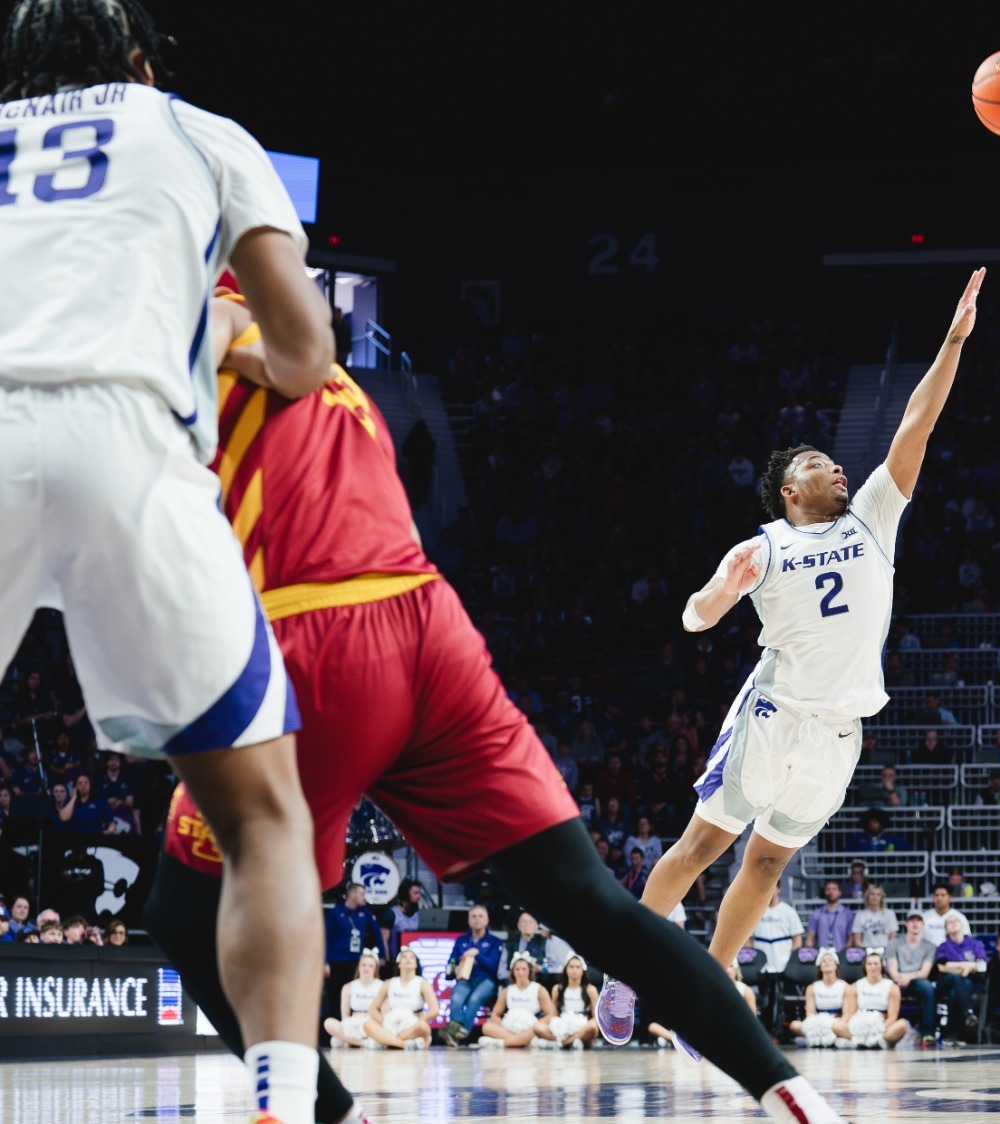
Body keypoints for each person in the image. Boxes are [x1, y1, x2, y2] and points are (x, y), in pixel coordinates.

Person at [144, 302, 847, 1122]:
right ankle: (794, 1097)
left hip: (318, 638)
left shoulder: (179, 327)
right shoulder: (316, 356)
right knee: (590, 902)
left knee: (187, 911)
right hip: (431, 626)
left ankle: (333, 1115)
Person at [0, 6, 336, 1119]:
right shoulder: (197, 129)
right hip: (130, 435)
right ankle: (284, 1099)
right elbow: (302, 356)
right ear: (139, 64)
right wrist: (222, 332)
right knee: (262, 815)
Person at [629, 274, 985, 1050]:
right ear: (791, 489)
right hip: (774, 714)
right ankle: (630, 964)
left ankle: (704, 994)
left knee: (765, 870)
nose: (839, 471)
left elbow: (916, 425)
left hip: (839, 734)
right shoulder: (766, 544)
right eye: (823, 464)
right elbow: (697, 614)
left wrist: (953, 341)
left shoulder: (874, 518)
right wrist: (715, 594)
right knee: (699, 848)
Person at [438, 905, 505, 1042]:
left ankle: (458, 1032)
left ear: (487, 920)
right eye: (473, 916)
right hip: (465, 979)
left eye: (480, 916)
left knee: (475, 999)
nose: (477, 919)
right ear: (469, 920)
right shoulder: (461, 940)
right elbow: (451, 961)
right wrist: (454, 968)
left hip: (486, 980)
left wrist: (477, 955)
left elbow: (494, 967)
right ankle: (458, 1030)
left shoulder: (494, 942)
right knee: (456, 998)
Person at [322, 883, 384, 1021]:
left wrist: (382, 954)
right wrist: (325, 962)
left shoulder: (365, 912)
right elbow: (325, 938)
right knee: (336, 995)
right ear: (352, 894)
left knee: (355, 992)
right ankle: (335, 1025)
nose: (364, 897)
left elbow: (376, 933)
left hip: (356, 961)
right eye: (362, 894)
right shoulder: (335, 913)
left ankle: (355, 1024)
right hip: (337, 960)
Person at [364, 947, 437, 1051]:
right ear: (399, 964)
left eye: (412, 957)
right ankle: (403, 1044)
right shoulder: (389, 983)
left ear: (416, 964)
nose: (408, 959)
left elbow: (434, 1010)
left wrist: (420, 1020)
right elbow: (373, 1009)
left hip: (412, 1025)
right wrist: (383, 1021)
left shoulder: (422, 983)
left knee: (424, 1027)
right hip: (391, 1024)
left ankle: (388, 1041)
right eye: (404, 957)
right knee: (368, 1025)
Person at [838, 950, 910, 1048]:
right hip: (860, 1027)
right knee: (837, 1026)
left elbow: (892, 1016)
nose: (873, 967)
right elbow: (851, 1013)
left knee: (902, 1025)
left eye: (876, 964)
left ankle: (879, 1041)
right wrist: (859, 1027)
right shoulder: (855, 986)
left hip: (882, 1026)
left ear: (882, 966)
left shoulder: (892, 987)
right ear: (865, 966)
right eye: (869, 964)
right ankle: (861, 1040)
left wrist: (878, 1028)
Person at [481, 953, 555, 1049]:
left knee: (540, 1028)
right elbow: (495, 1015)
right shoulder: (507, 991)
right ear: (513, 971)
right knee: (487, 1027)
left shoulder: (539, 989)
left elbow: (550, 1014)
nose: (520, 973)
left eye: (524, 969)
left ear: (529, 970)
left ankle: (502, 1043)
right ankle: (522, 1041)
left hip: (530, 1028)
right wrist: (504, 1024)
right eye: (517, 969)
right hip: (510, 1028)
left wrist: (536, 1023)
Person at [935, 914, 988, 1045]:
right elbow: (942, 966)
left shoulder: (974, 944)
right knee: (955, 978)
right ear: (946, 929)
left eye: (955, 921)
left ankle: (951, 1035)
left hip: (969, 982)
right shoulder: (943, 946)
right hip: (946, 981)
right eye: (949, 922)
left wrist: (966, 968)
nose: (953, 923)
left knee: (955, 993)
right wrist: (963, 969)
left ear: (962, 925)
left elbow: (982, 965)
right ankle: (967, 1012)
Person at [887, 913, 938, 1043]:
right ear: (906, 923)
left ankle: (928, 1033)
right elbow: (892, 967)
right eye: (912, 920)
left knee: (927, 987)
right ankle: (885, 1030)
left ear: (923, 924)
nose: (915, 924)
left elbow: (924, 972)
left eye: (918, 921)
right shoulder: (894, 944)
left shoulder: (930, 946)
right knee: (886, 987)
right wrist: (898, 978)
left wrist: (907, 977)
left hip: (917, 980)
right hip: (896, 979)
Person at [321, 950, 384, 1049]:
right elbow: (345, 1015)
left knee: (337, 1041)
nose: (366, 968)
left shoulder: (382, 986)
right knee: (329, 1023)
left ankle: (350, 1041)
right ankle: (362, 1043)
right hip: (353, 1024)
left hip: (373, 1024)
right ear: (359, 967)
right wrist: (350, 1025)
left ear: (375, 968)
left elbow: (385, 1013)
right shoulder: (348, 987)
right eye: (363, 965)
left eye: (370, 966)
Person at [787, 949, 849, 1048]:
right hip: (818, 1023)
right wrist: (816, 1025)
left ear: (836, 966)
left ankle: (816, 1040)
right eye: (824, 961)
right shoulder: (812, 987)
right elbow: (810, 1014)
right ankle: (829, 1039)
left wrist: (838, 1023)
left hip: (837, 1022)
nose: (827, 963)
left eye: (830, 960)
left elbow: (847, 1013)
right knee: (795, 1025)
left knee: (840, 1028)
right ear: (819, 967)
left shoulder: (845, 986)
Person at [545, 954, 599, 1049]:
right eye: (571, 967)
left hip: (582, 1025)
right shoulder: (557, 988)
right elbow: (554, 1014)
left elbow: (596, 1017)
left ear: (583, 970)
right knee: (538, 1027)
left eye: (578, 967)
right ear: (566, 969)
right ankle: (571, 1041)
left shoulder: (590, 989)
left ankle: (566, 1043)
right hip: (563, 1025)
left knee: (593, 1026)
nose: (574, 970)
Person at [807, 880, 853, 952]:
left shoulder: (847, 913)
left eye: (834, 889)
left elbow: (851, 938)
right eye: (828, 889)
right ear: (825, 892)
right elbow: (810, 937)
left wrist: (844, 954)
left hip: (841, 954)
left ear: (839, 892)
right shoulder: (816, 913)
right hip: (822, 955)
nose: (831, 892)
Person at [849, 883, 897, 950]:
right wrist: (866, 951)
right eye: (872, 894)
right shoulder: (860, 915)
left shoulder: (890, 914)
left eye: (878, 895)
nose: (875, 897)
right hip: (866, 951)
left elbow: (893, 937)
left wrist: (888, 950)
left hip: (885, 950)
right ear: (867, 896)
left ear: (881, 897)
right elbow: (857, 939)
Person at [921, 883, 968, 948]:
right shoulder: (924, 917)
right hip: (929, 955)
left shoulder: (959, 917)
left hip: (952, 956)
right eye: (936, 895)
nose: (939, 898)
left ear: (950, 898)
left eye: (943, 895)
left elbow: (967, 940)